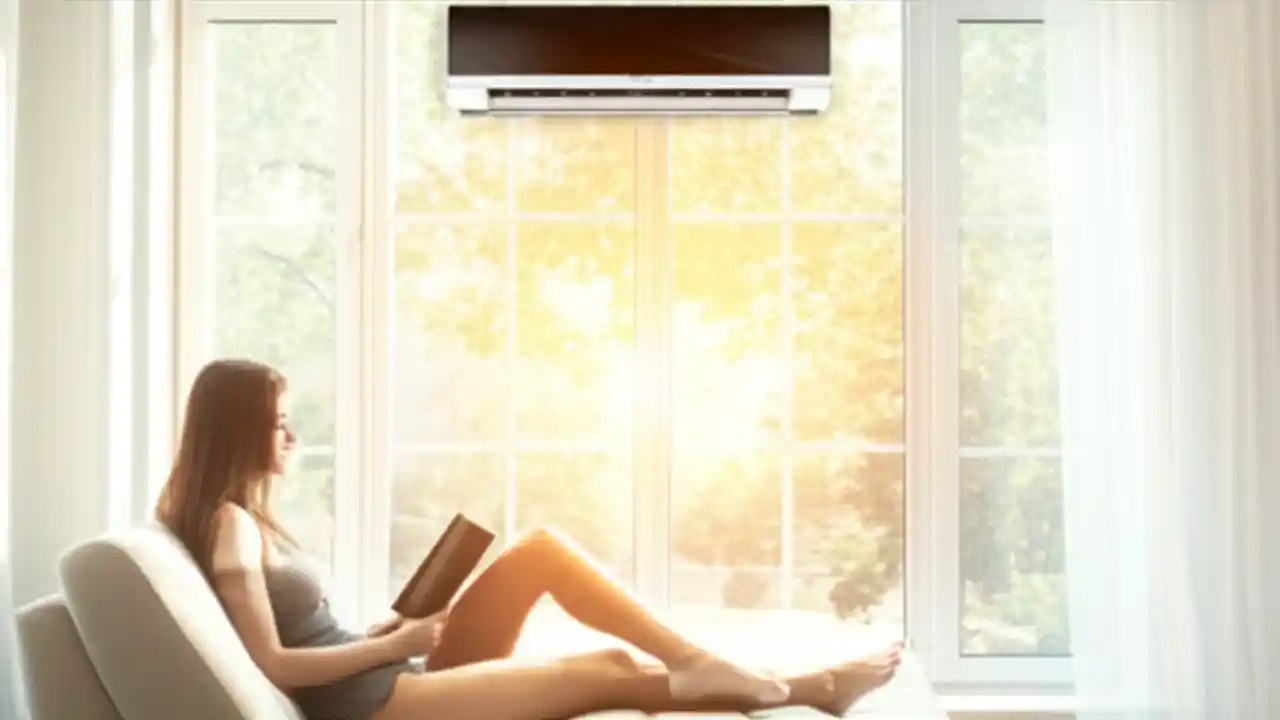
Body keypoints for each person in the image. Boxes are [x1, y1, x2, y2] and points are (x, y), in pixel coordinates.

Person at [155, 359, 902, 720]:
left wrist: (393, 629)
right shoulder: (226, 523)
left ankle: (711, 663)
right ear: (240, 428)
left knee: (539, 550)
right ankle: (808, 690)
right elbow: (274, 663)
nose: (291, 435)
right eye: (279, 420)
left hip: (383, 669)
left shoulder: (229, 517)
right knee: (605, 664)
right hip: (374, 705)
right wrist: (389, 648)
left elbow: (300, 639)